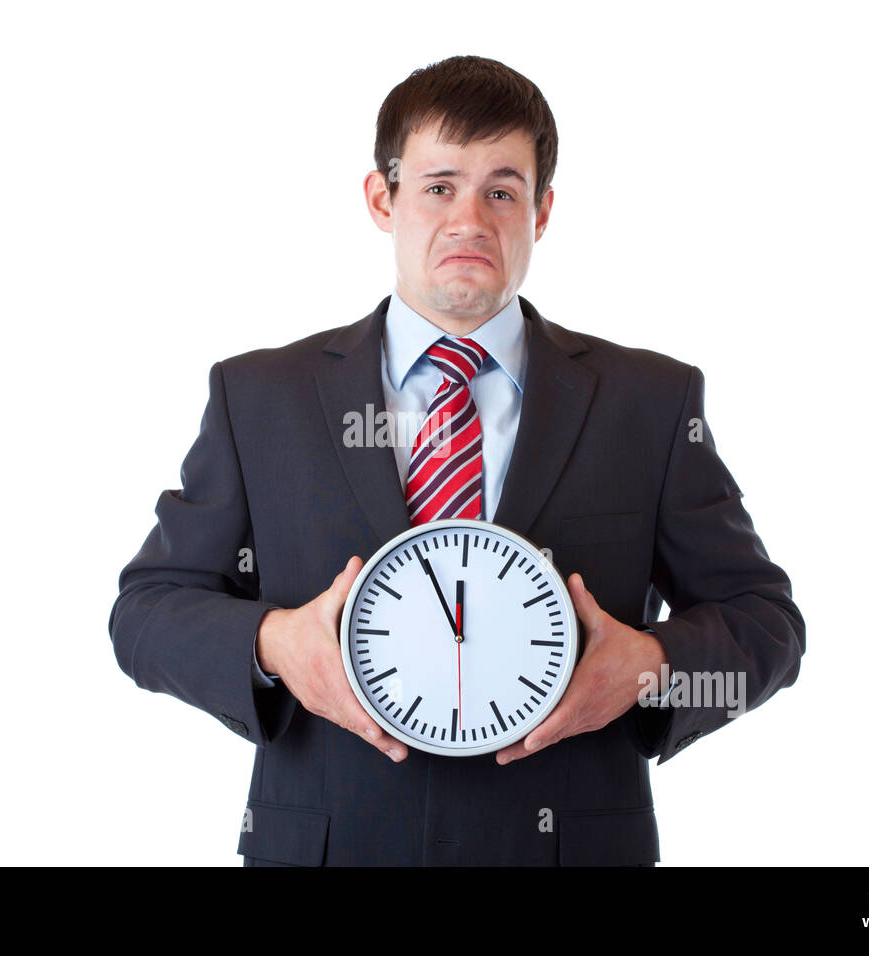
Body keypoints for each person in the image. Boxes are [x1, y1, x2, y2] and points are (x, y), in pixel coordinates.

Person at [108, 55, 805, 866]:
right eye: (439, 185)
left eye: (502, 191)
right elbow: (146, 612)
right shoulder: (260, 396)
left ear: (542, 212)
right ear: (384, 198)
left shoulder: (648, 402)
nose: (470, 218)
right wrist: (271, 644)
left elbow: (767, 623)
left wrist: (651, 667)